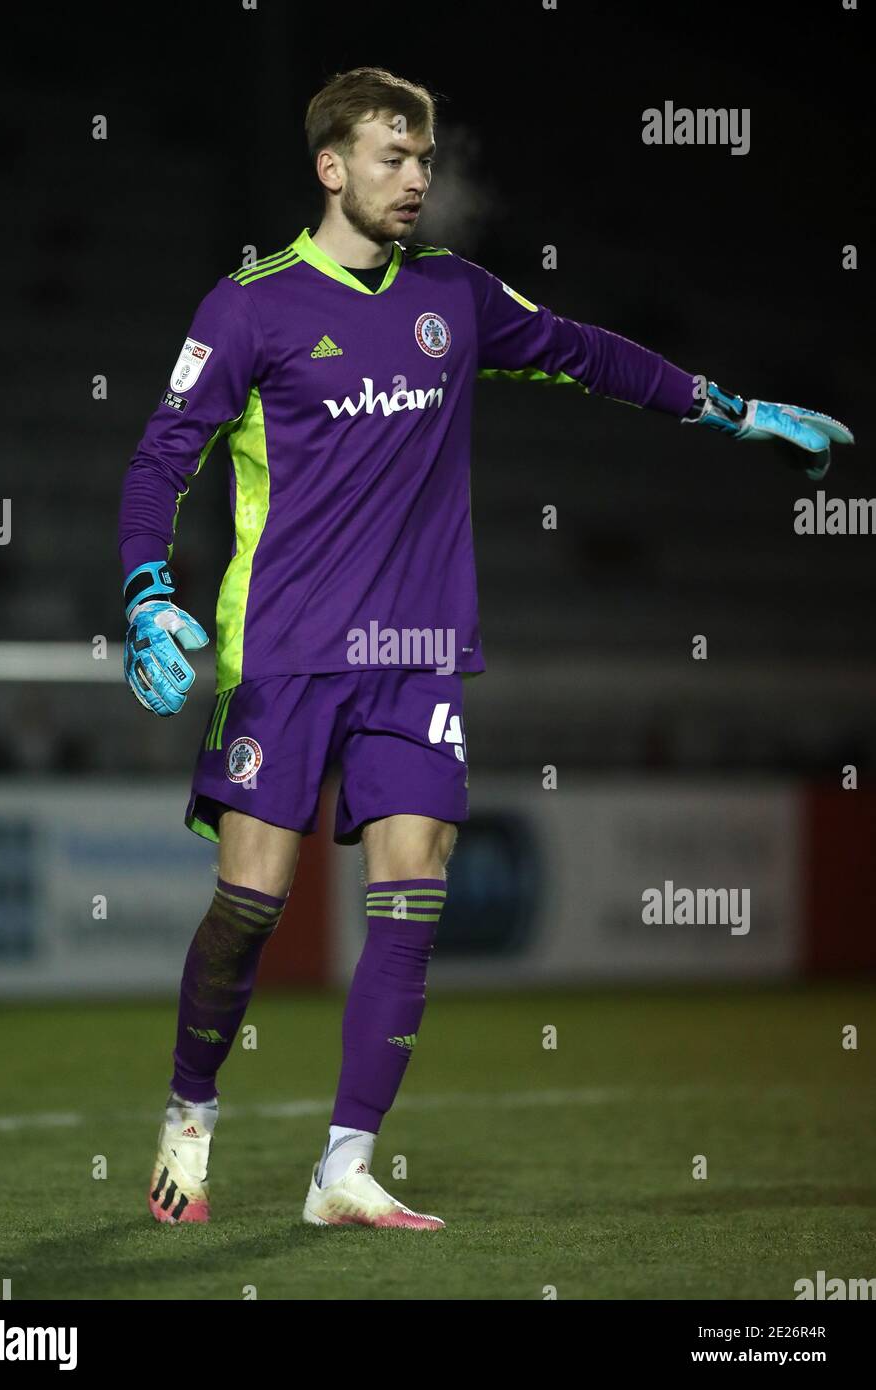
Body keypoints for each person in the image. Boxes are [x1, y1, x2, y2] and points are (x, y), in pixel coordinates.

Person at [118, 66, 853, 1230]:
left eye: (422, 159)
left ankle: (343, 1166)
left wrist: (738, 410)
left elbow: (588, 353)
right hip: (287, 653)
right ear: (331, 168)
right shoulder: (248, 307)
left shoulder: (452, 298)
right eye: (390, 157)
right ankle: (190, 1113)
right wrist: (150, 590)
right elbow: (162, 457)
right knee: (250, 906)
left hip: (416, 654)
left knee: (411, 898)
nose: (415, 178)